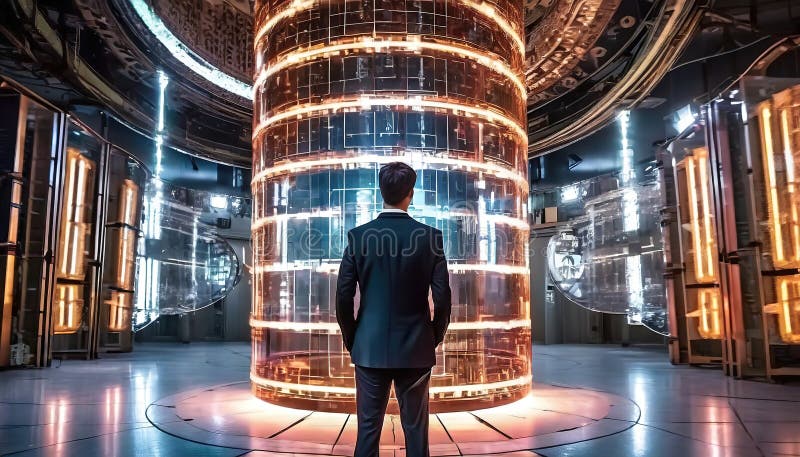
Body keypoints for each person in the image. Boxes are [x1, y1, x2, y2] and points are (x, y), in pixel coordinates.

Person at [335, 162, 452, 457]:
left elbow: (343, 297)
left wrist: (353, 338)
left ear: (381, 192)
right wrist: (432, 337)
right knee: (416, 432)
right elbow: (443, 299)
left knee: (368, 430)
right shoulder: (431, 237)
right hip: (416, 347)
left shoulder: (358, 237)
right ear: (410, 194)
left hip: (369, 347)